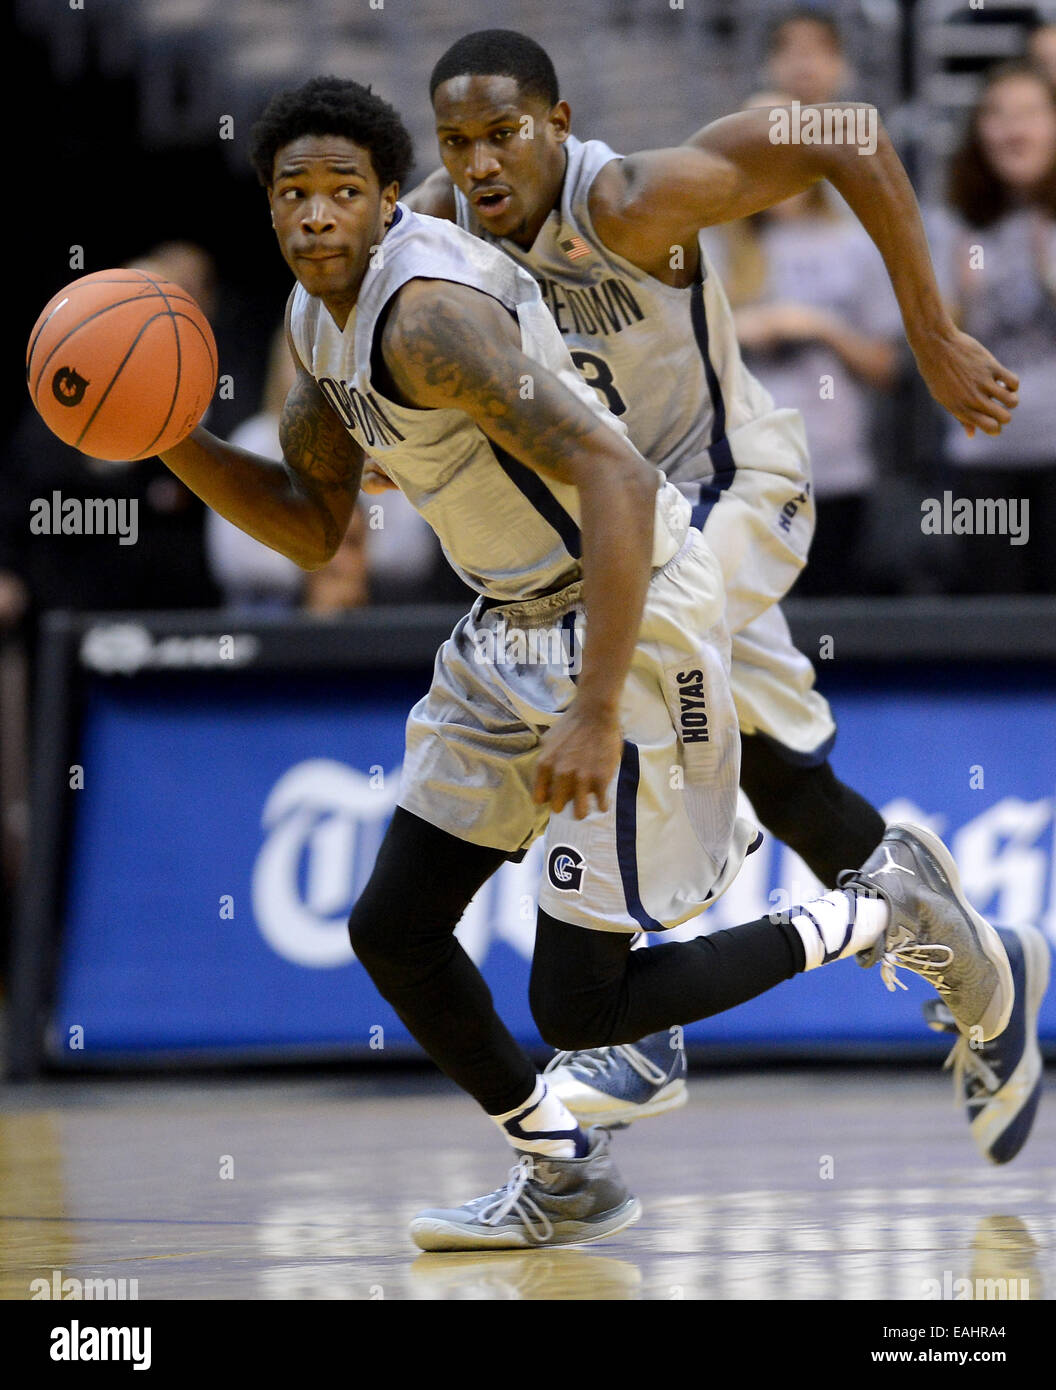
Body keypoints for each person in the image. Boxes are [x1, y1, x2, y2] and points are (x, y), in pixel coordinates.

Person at [154, 76, 1029, 1250]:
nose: (316, 215)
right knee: (393, 929)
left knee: (581, 998)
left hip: (650, 573)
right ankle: (560, 1164)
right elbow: (315, 526)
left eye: (340, 192)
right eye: (291, 196)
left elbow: (618, 482)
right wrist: (168, 434)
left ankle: (865, 918)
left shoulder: (476, 286)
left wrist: (595, 711)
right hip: (512, 614)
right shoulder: (325, 322)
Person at [400, 29, 1042, 1148]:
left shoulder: (639, 197)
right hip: (627, 523)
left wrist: (933, 330)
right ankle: (974, 962)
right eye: (459, 142)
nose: (482, 162)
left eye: (504, 133)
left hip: (733, 485)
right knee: (786, 774)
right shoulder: (444, 222)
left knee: (610, 664)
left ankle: (640, 1033)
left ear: (556, 124)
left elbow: (850, 134)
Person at [926, 59, 1056, 595]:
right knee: (990, 625)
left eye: (1028, 112)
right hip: (982, 459)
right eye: (997, 114)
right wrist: (958, 306)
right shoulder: (948, 224)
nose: (1012, 128)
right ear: (979, 132)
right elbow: (926, 352)